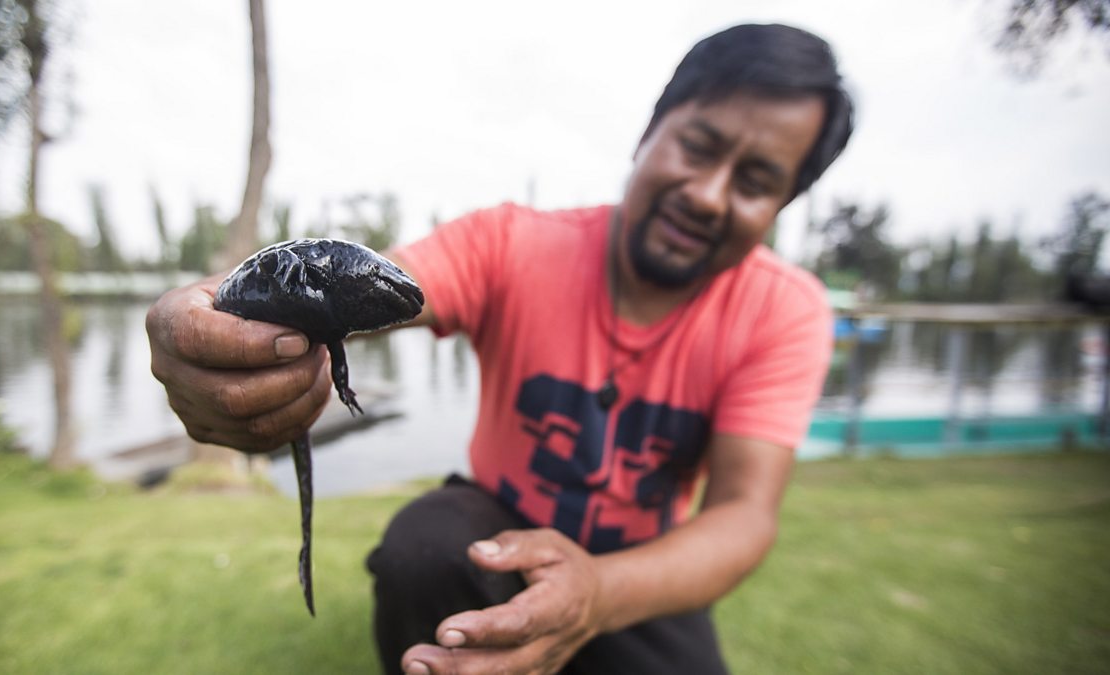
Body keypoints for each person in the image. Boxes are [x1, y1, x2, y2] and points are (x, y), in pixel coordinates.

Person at [147, 23, 853, 675]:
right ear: (648, 132)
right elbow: (388, 281)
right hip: (496, 528)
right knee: (425, 547)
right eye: (697, 146)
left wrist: (599, 591)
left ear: (784, 204)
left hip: (642, 566)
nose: (708, 195)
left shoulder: (784, 310)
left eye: (755, 181)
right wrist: (215, 318)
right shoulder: (511, 243)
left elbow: (743, 514)